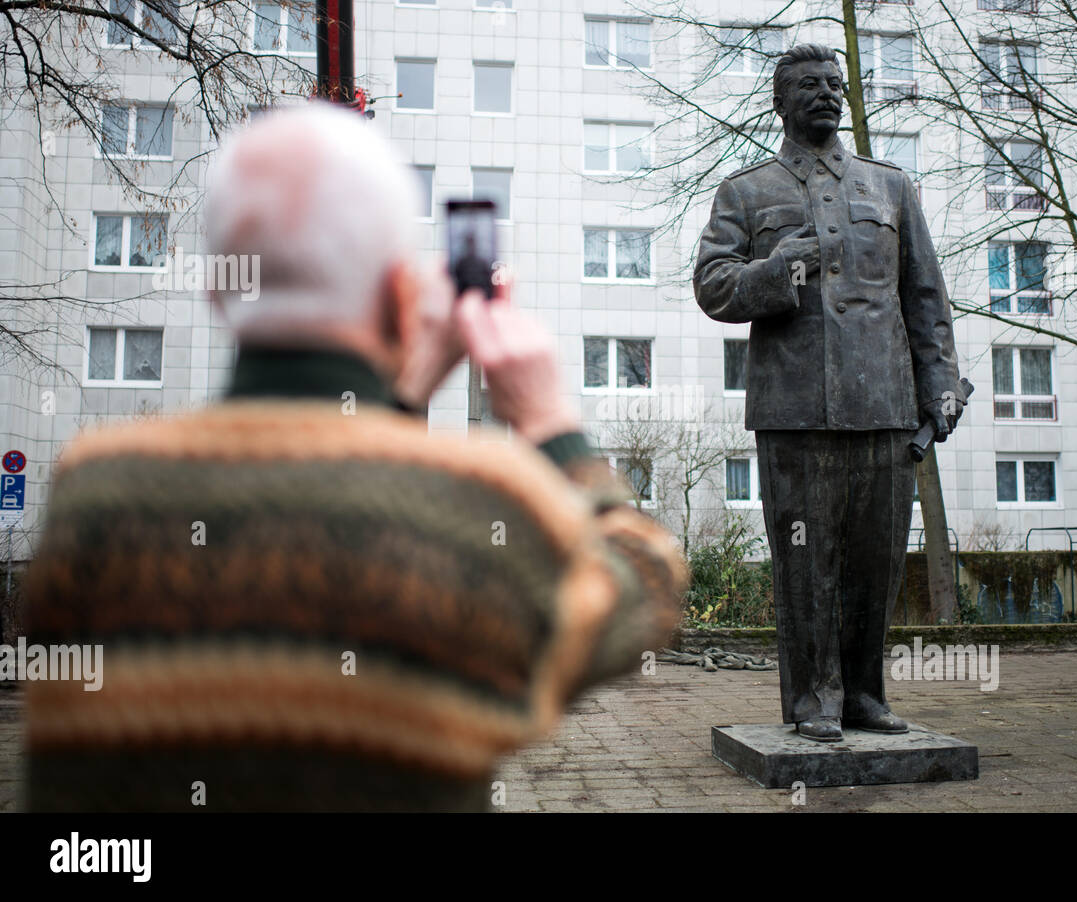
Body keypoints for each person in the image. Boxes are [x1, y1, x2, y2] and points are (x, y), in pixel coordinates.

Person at [24, 103, 686, 811]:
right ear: (401, 292)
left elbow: (330, 483)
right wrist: (552, 425)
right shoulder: (479, 508)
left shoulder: (96, 487)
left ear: (218, 286)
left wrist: (400, 395)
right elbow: (647, 583)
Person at [694, 44, 964, 742]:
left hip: (885, 406)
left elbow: (925, 297)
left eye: (834, 85)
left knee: (876, 560)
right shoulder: (746, 191)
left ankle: (865, 696)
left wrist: (938, 387)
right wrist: (775, 270)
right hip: (794, 410)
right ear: (780, 102)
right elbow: (713, 285)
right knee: (806, 560)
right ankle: (815, 699)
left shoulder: (891, 188)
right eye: (808, 85)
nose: (825, 94)